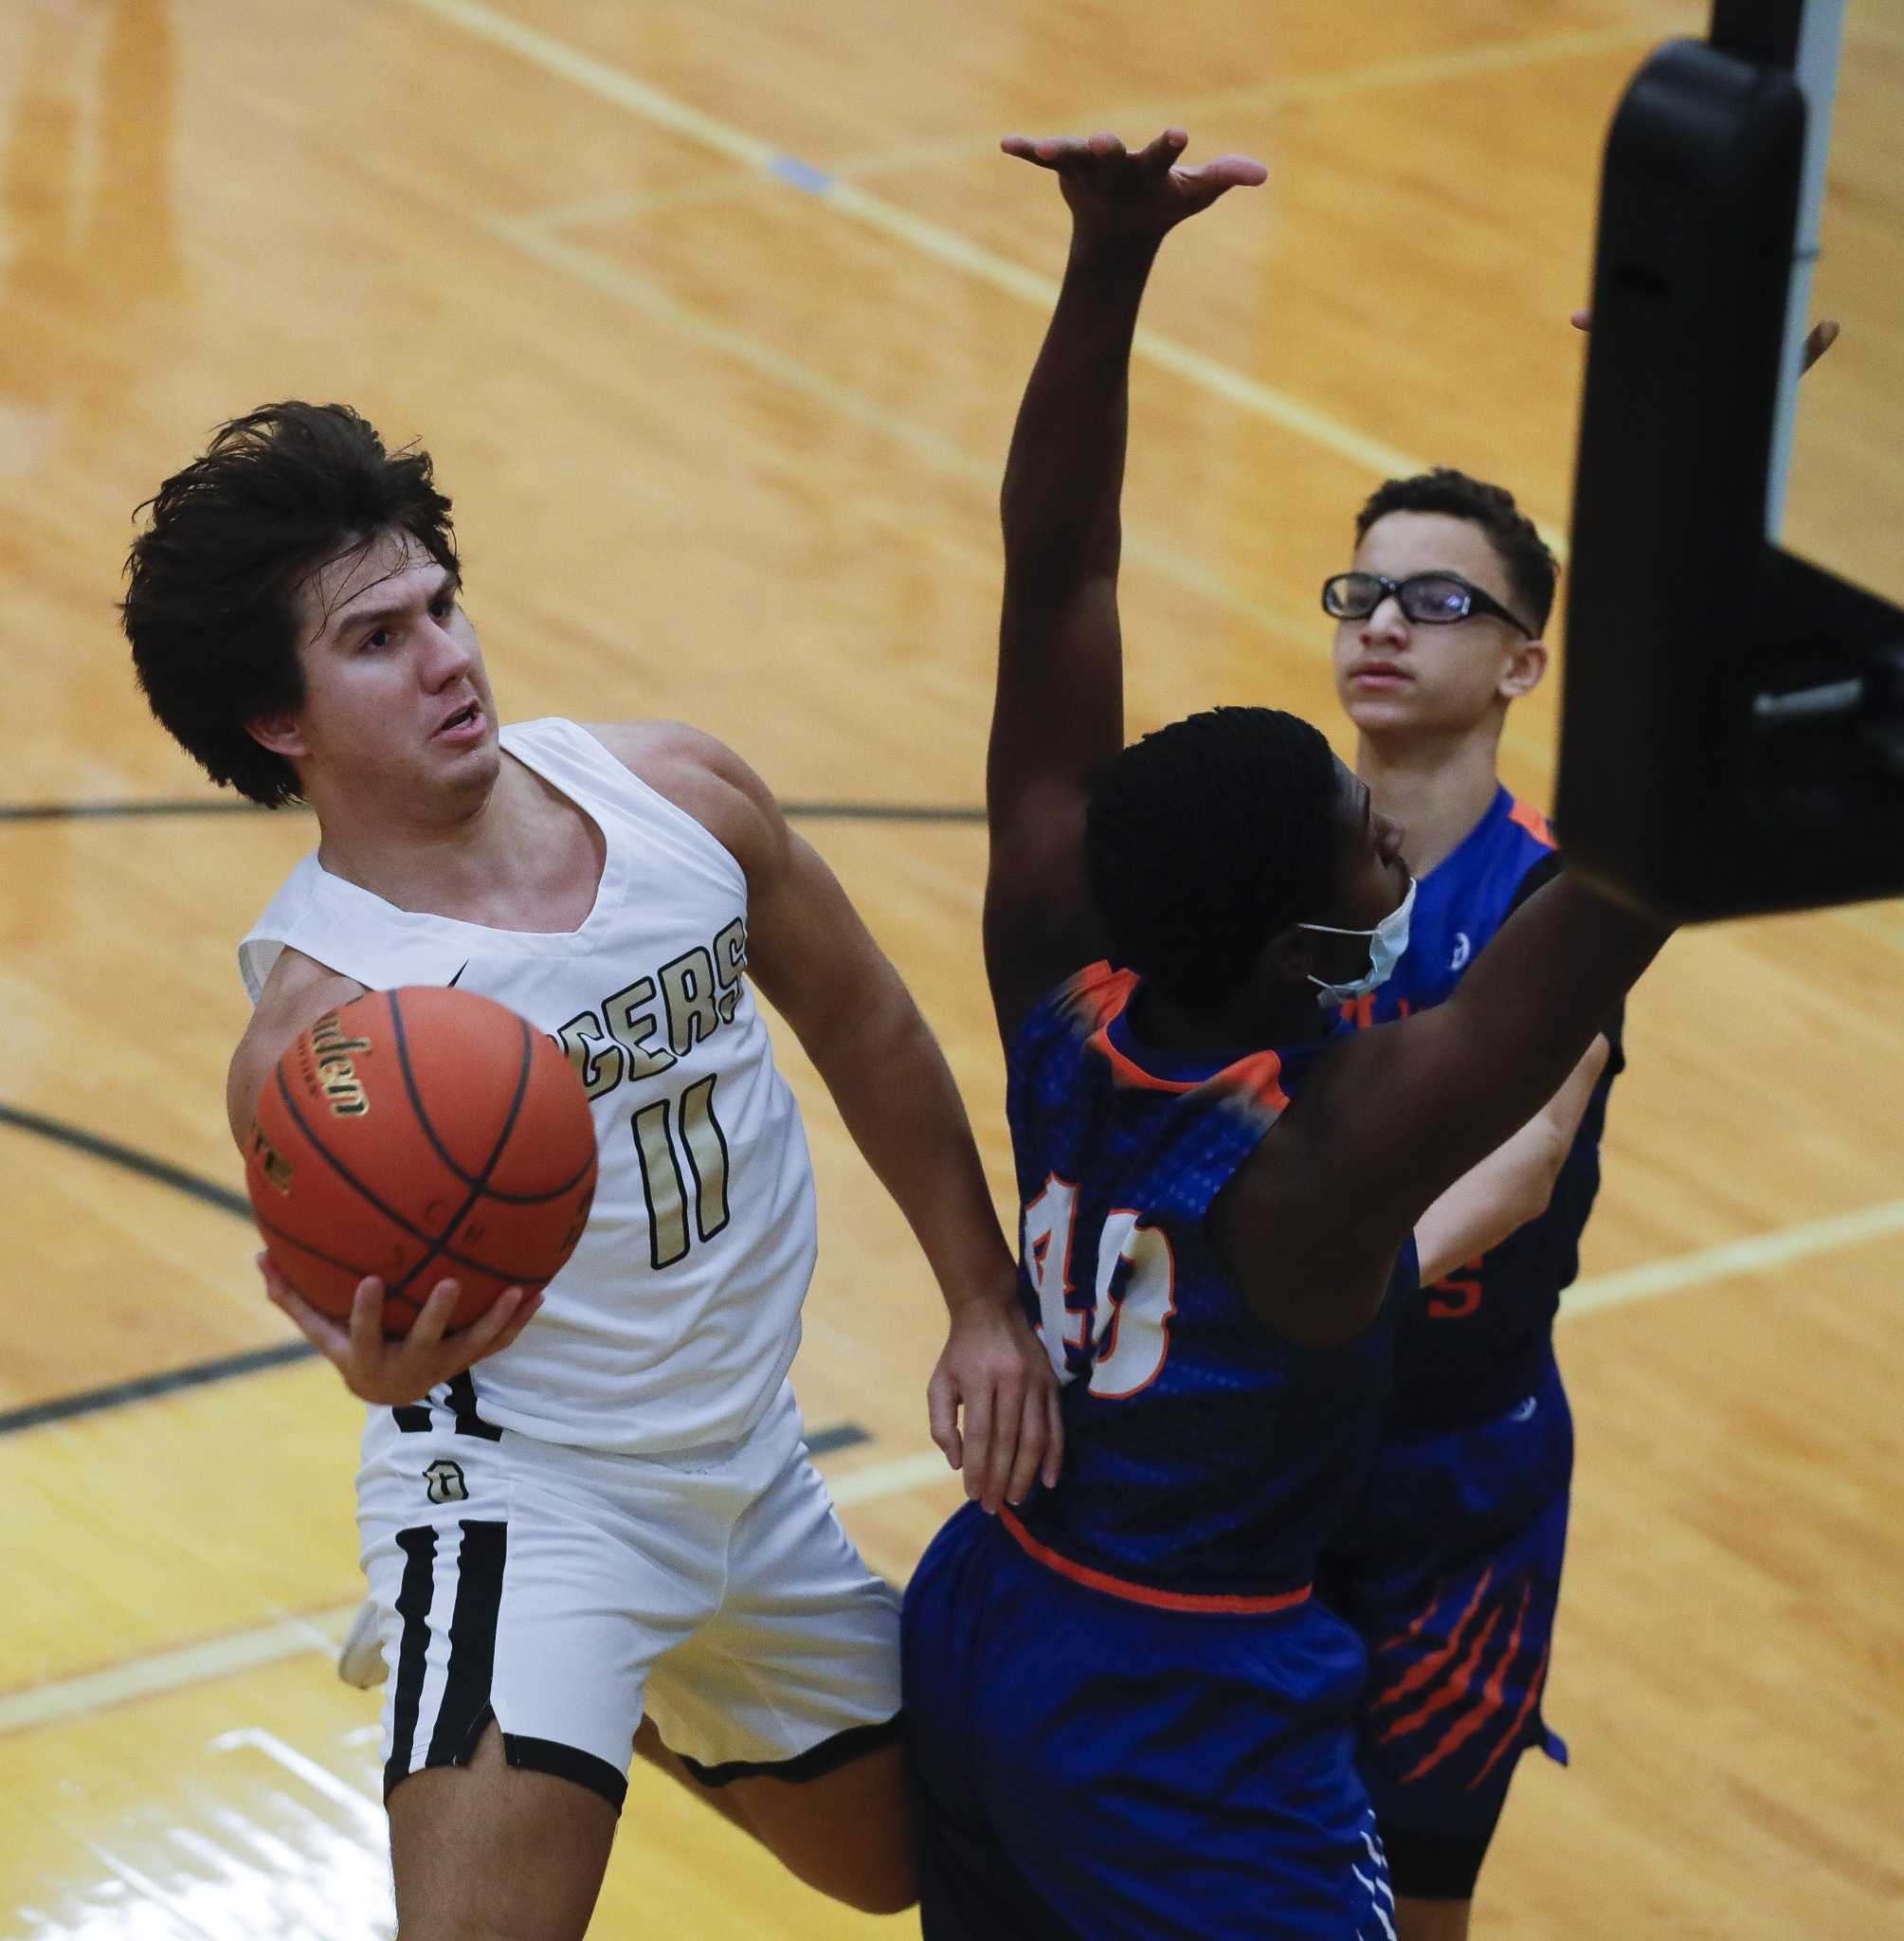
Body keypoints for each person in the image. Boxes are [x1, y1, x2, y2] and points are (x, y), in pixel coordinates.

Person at [120, 401, 1061, 1941]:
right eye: (375, 641)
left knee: (891, 1867)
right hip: (525, 1502)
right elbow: (353, 1311)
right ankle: (509, 1661)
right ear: (276, 723)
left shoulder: (678, 795)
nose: (445, 656)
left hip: (746, 1461)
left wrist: (978, 1299)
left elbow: (869, 1021)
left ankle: (625, 1704)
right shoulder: (329, 1032)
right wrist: (378, 1372)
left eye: (441, 602)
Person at [898, 129, 1674, 1940]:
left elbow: (1058, 575)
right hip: (1187, 1698)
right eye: (1350, 837)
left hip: (993, 1608)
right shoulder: (1323, 1159)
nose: (1375, 831)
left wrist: (1104, 267)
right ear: (1310, 941)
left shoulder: (1058, 984)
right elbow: (1644, 856)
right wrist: (1691, 483)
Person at [1313, 471, 1612, 1941]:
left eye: (1436, 603)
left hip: (1454, 1484)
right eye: (1360, 593)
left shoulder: (1553, 892)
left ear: (1519, 663)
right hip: (1266, 1458)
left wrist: (1322, 1299)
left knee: (1416, 1906)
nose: (1381, 624)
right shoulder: (1267, 862)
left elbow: (1529, 1153)